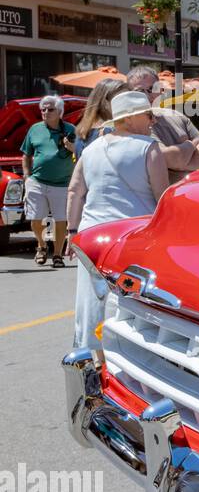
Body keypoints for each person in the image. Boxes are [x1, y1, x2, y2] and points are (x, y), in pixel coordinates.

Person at [66, 91, 169, 347]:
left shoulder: (91, 149)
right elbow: (163, 198)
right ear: (132, 118)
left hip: (91, 234)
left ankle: (88, 351)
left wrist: (71, 231)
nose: (152, 120)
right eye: (148, 115)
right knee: (130, 300)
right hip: (131, 234)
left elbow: (75, 191)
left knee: (91, 299)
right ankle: (123, 354)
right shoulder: (148, 148)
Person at [125, 65, 199, 184]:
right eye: (140, 91)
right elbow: (167, 158)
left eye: (152, 88)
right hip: (160, 196)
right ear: (130, 95)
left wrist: (180, 162)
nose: (147, 95)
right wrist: (190, 146)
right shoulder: (132, 125)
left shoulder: (177, 116)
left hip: (190, 189)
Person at [20, 94, 77, 266]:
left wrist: (72, 147)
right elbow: (26, 155)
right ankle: (41, 245)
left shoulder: (71, 130)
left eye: (50, 109)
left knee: (60, 220)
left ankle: (58, 255)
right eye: (43, 109)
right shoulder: (35, 129)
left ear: (60, 111)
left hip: (62, 183)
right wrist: (26, 176)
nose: (45, 112)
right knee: (36, 219)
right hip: (37, 181)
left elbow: (83, 154)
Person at [75, 79, 127, 158]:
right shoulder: (109, 131)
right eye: (120, 98)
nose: (126, 102)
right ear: (105, 102)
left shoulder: (83, 130)